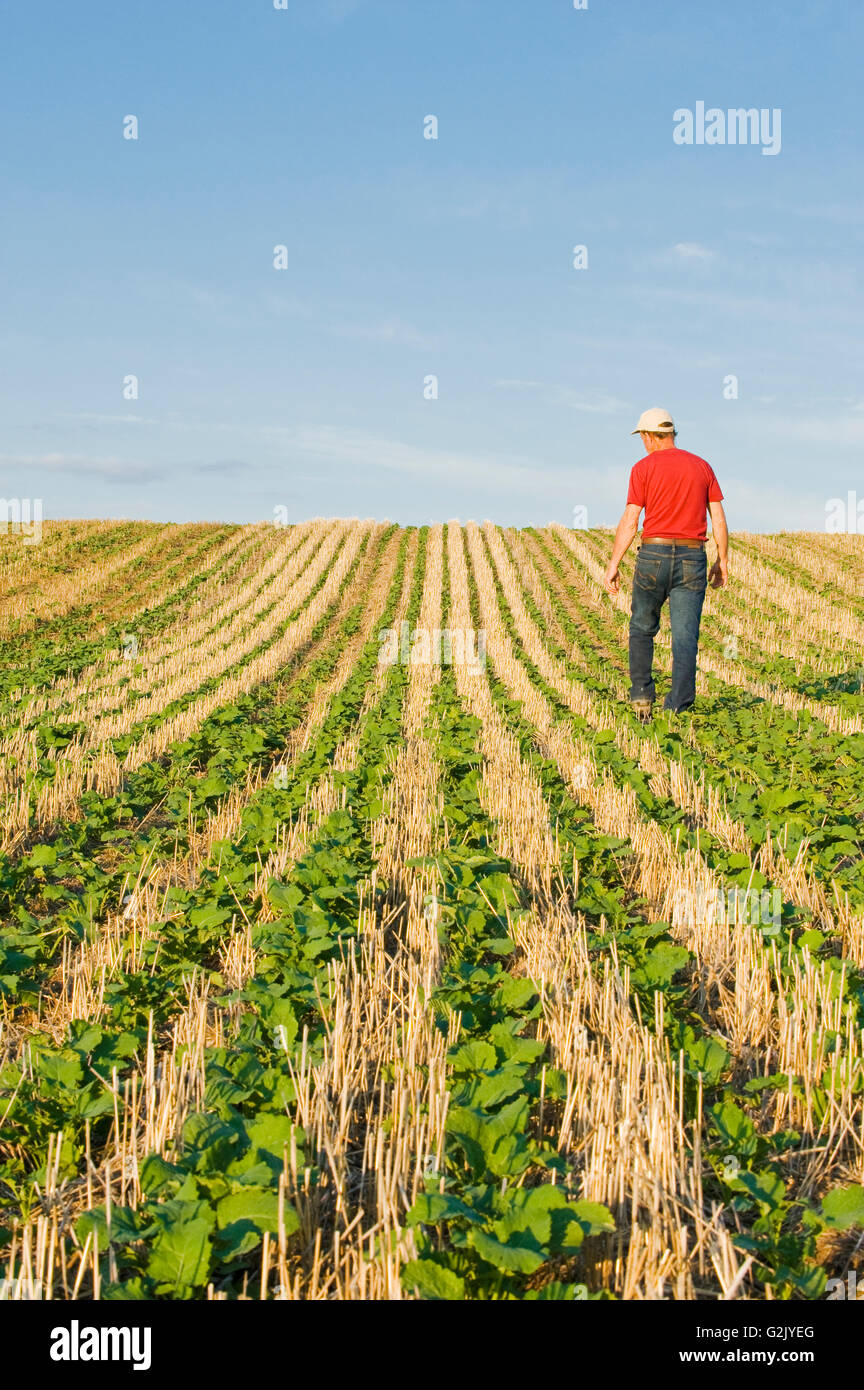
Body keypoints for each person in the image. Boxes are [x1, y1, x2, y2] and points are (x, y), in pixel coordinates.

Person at [603, 408, 728, 721]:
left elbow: (631, 520)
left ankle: (642, 696)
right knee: (686, 636)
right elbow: (719, 518)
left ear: (648, 436)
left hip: (653, 556)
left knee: (642, 627)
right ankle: (678, 708)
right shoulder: (702, 466)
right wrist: (722, 559)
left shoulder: (642, 468)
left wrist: (613, 563)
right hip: (692, 557)